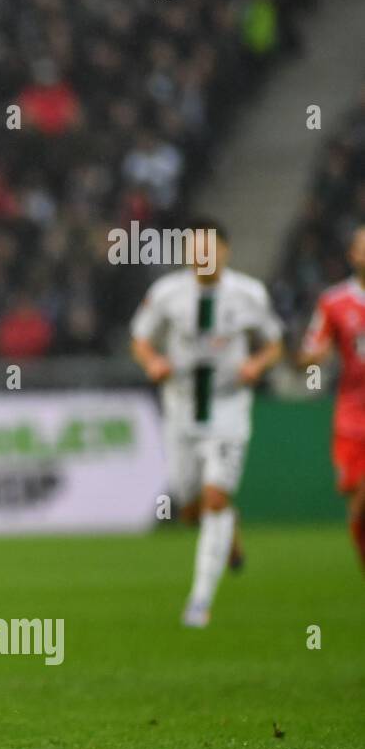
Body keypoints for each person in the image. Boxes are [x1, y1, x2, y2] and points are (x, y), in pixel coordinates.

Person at [130, 220, 283, 627]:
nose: (202, 257)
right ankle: (228, 527)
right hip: (180, 407)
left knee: (215, 499)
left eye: (209, 249)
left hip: (227, 408)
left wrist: (255, 363)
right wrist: (153, 361)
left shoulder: (249, 293)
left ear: (225, 252)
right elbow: (141, 338)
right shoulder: (167, 294)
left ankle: (199, 602)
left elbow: (274, 342)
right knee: (190, 507)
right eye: (195, 249)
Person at [297, 223, 365, 571]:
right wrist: (314, 360)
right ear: (353, 255)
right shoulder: (335, 302)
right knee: (359, 507)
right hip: (352, 418)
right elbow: (308, 355)